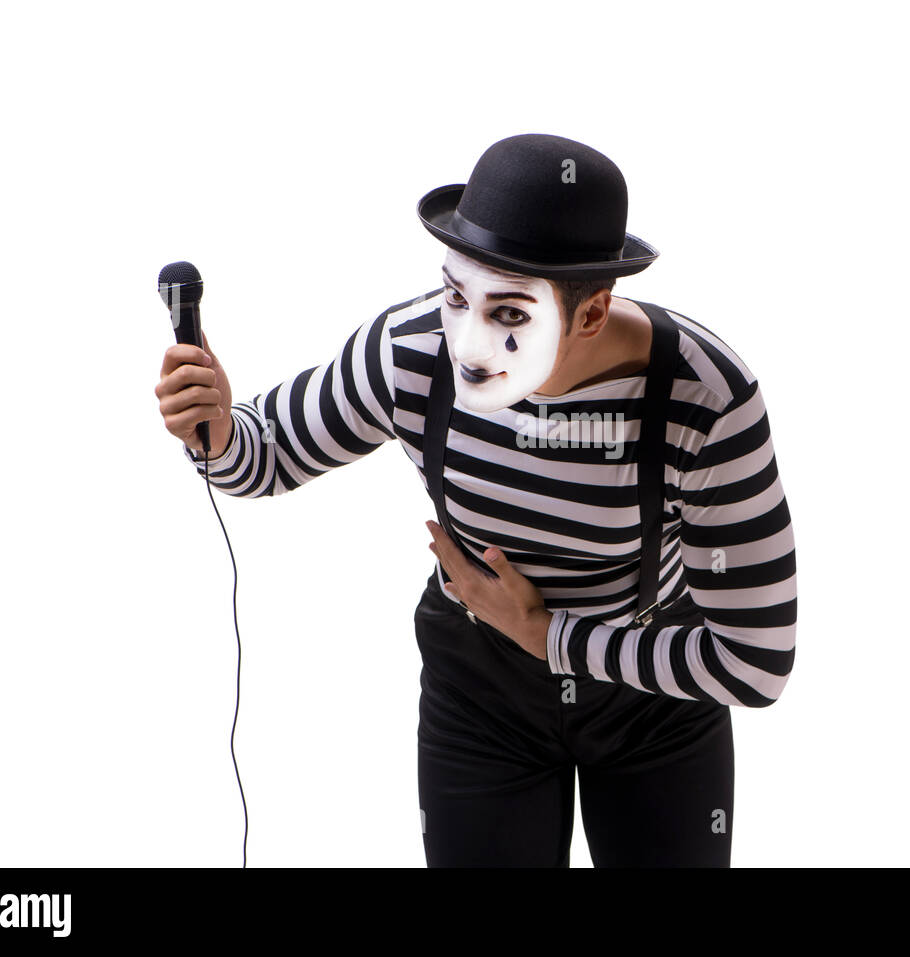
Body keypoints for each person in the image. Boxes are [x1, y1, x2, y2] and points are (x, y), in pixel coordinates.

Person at [153, 133, 797, 866]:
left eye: (510, 315)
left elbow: (756, 662)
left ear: (590, 314)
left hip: (652, 695)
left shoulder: (704, 396)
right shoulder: (412, 350)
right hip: (481, 693)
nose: (468, 344)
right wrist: (211, 430)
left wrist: (549, 635)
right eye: (459, 296)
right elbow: (260, 457)